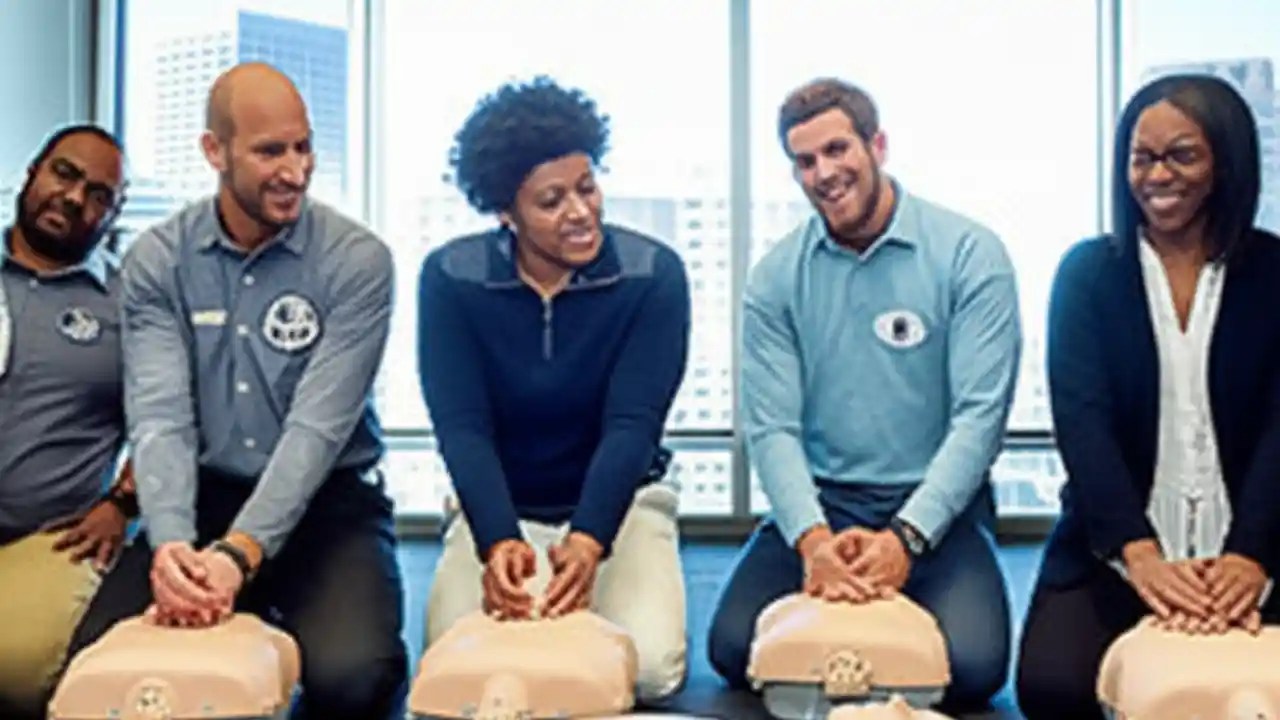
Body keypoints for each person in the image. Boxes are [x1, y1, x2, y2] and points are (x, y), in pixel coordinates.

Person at [65, 62, 407, 720]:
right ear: (214, 151)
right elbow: (161, 418)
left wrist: (237, 554)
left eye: (303, 147)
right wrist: (173, 549)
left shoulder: (357, 261)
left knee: (356, 677)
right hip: (203, 496)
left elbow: (316, 431)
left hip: (328, 501)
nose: (295, 171)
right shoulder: (159, 261)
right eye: (270, 151)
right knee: (99, 670)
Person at [705, 77, 1021, 713]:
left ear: (877, 146)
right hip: (825, 501)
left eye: (837, 149)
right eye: (804, 161)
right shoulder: (775, 278)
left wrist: (906, 538)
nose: (823, 173)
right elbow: (772, 429)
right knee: (734, 650)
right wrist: (814, 543)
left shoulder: (970, 254)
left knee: (974, 667)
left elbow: (979, 420)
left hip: (936, 508)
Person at [418, 76, 691, 702]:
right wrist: (497, 538)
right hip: (501, 507)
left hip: (622, 507)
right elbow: (462, 426)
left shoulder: (653, 275)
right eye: (551, 200)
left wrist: (590, 538)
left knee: (650, 670)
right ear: (505, 212)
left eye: (587, 188)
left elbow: (633, 424)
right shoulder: (451, 279)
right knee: (454, 671)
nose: (580, 212)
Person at [1016, 74, 1280, 719]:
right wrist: (1140, 556)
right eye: (1142, 157)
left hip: (1260, 541)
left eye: (1181, 155)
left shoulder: (1275, 271)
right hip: (1120, 548)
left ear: (1225, 161)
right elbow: (1083, 424)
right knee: (1053, 689)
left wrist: (1251, 555)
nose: (1158, 175)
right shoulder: (1087, 273)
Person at [0, 125, 135, 720]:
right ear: (33, 171)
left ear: (113, 216)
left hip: (47, 535)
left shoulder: (128, 305)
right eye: (65, 174)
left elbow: (174, 421)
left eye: (100, 195)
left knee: (14, 665)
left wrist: (122, 504)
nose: (76, 198)